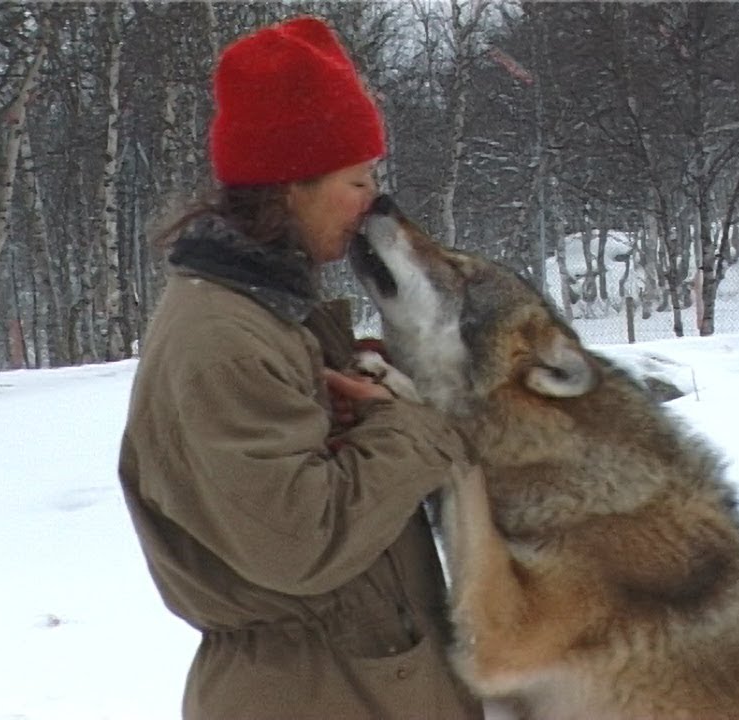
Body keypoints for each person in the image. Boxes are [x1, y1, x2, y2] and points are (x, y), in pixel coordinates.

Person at [116, 15, 486, 720]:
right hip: (311, 693)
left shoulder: (270, 315)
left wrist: (369, 391)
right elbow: (302, 542)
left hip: (355, 680)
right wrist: (408, 426)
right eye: (357, 179)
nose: (371, 200)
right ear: (292, 184)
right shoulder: (221, 338)